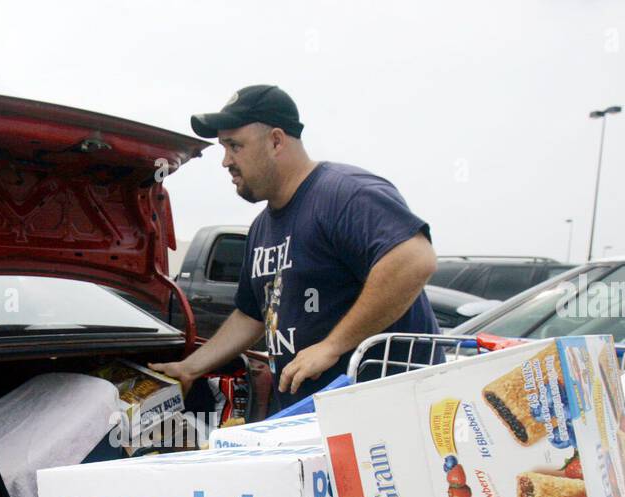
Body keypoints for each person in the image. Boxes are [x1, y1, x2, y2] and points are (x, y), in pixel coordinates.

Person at [152, 85, 438, 410]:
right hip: (311, 417)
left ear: (276, 140)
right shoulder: (262, 227)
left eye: (235, 146)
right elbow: (251, 316)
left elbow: (414, 260)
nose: (225, 161)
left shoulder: (343, 194)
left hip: (385, 412)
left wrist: (332, 346)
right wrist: (189, 368)